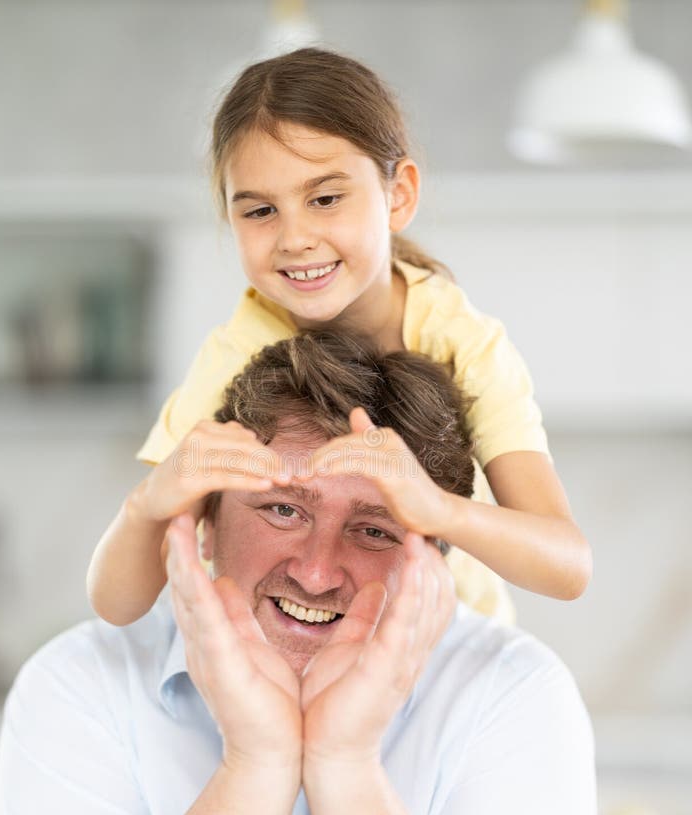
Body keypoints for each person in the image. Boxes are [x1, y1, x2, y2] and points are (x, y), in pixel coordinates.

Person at [0, 332, 596, 815]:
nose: (316, 571)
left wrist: (346, 761)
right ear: (204, 522)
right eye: (283, 510)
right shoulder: (77, 684)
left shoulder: (515, 694)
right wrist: (257, 761)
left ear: (434, 559)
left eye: (373, 529)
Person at [86, 46, 592, 629]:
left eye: (325, 199)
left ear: (398, 195)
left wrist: (435, 508)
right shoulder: (232, 355)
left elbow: (568, 566)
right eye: (259, 212)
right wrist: (150, 501)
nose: (294, 238)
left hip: (447, 646)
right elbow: (117, 603)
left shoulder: (467, 345)